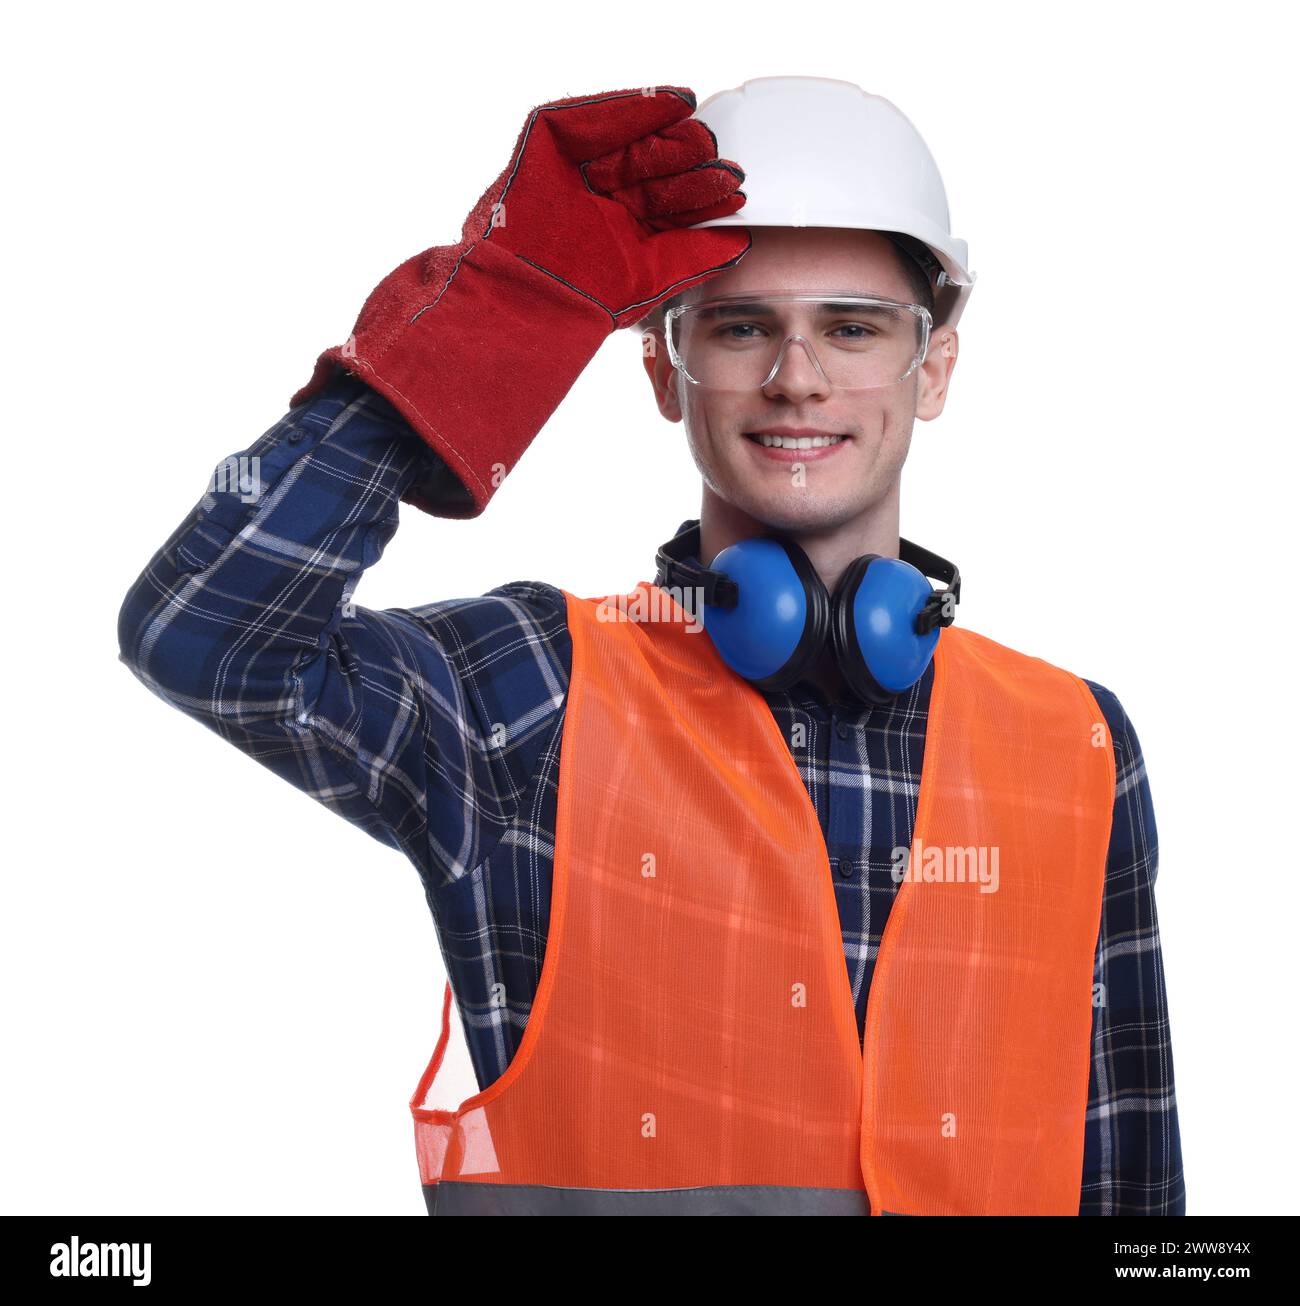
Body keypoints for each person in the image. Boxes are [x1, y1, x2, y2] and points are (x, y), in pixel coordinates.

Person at [117, 78, 1184, 1216]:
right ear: (662, 371)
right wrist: (497, 312)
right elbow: (206, 633)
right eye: (739, 326)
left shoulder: (1074, 741)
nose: (797, 376)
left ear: (932, 371)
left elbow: (1132, 1179)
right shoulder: (528, 696)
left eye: (852, 327)